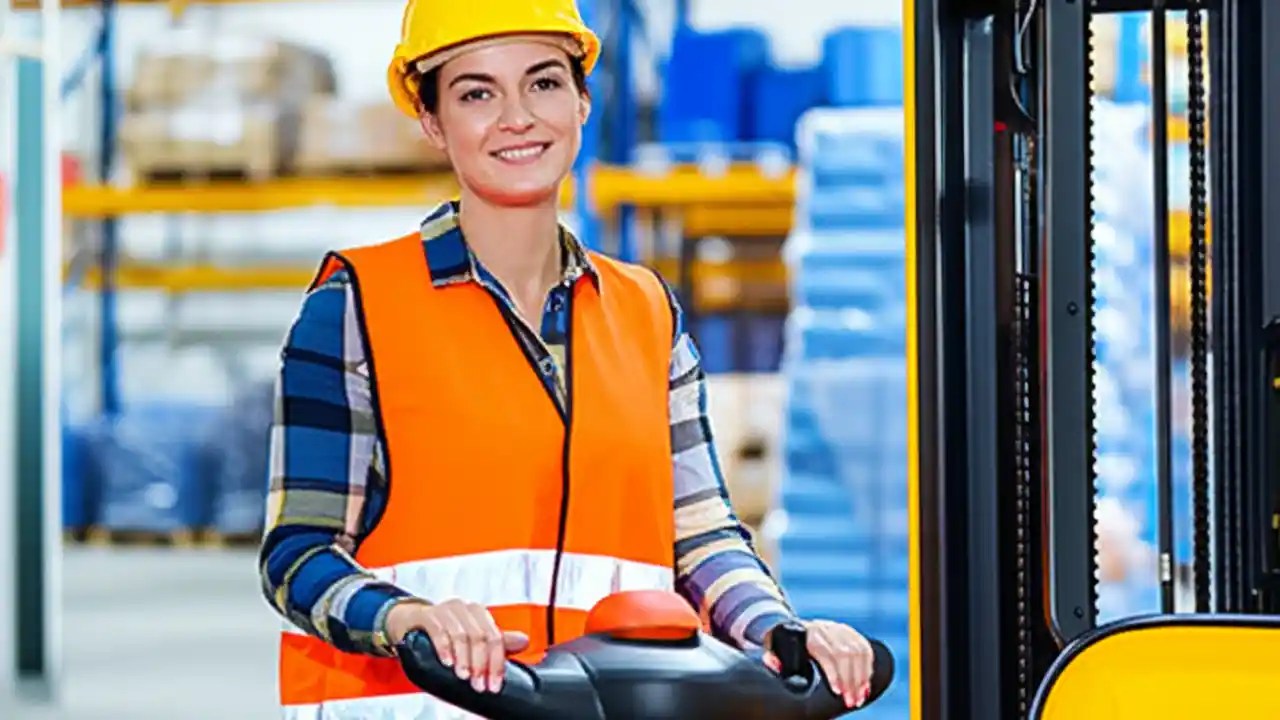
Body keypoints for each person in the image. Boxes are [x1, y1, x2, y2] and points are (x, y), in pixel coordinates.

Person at [256, 0, 876, 716]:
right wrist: (407, 619)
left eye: (544, 83)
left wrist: (783, 633)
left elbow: (703, 537)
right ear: (432, 122)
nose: (517, 116)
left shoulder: (647, 311)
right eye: (477, 93)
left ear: (582, 100)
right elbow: (297, 554)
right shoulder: (356, 306)